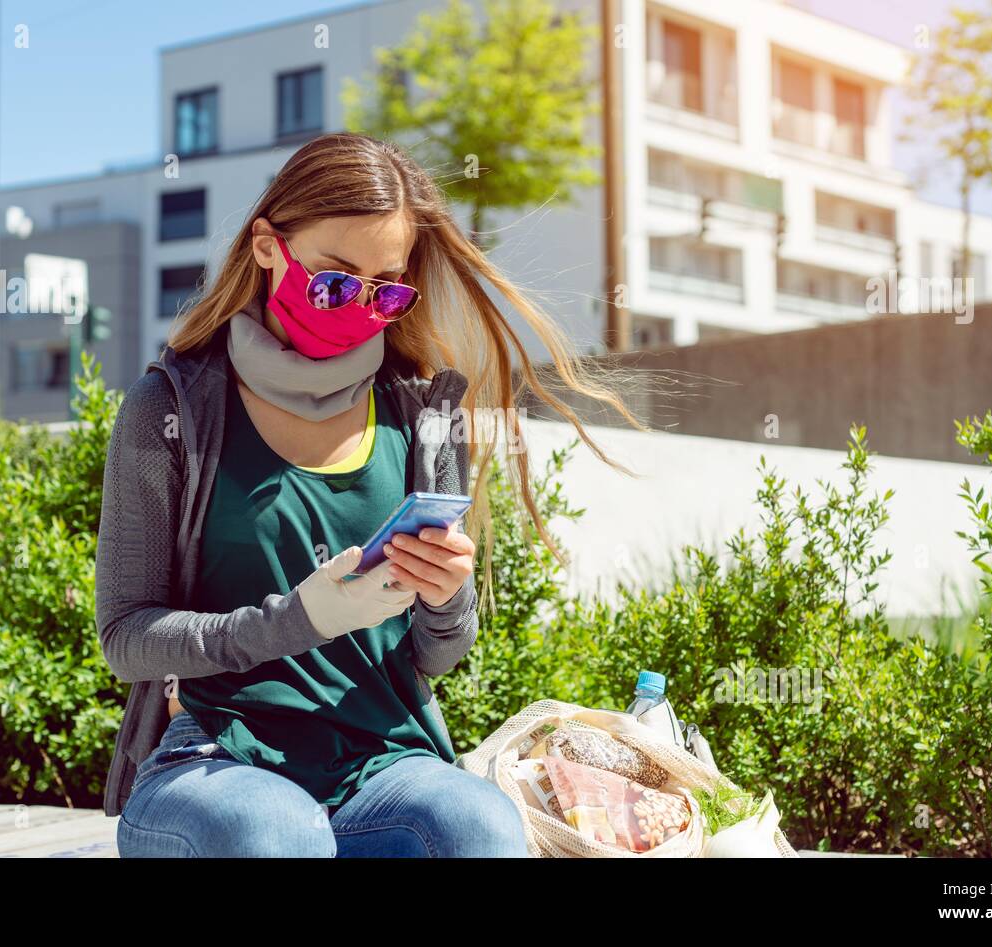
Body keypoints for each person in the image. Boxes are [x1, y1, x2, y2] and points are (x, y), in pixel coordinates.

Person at [95, 131, 641, 857]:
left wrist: (448, 597)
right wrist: (299, 618)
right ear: (267, 246)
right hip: (215, 761)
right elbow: (125, 636)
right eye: (334, 281)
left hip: (382, 760)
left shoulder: (423, 415)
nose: (358, 306)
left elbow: (436, 654)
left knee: (483, 827)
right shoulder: (170, 411)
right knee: (279, 833)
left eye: (384, 289)